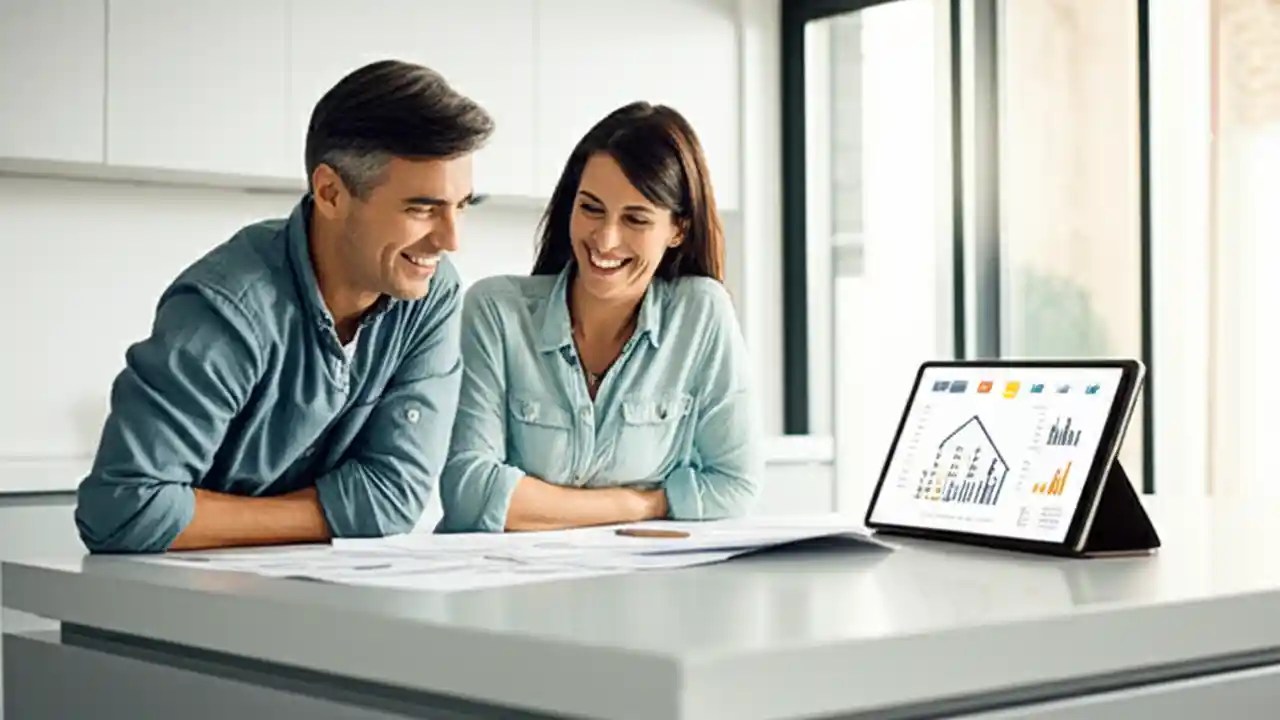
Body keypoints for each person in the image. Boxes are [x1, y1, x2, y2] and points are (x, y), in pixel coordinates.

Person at [74, 60, 493, 553]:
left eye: (462, 205)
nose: (450, 239)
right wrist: (342, 510)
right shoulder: (229, 308)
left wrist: (200, 513)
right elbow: (124, 510)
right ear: (331, 192)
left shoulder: (429, 292)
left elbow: (394, 498)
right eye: (422, 208)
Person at [438, 102, 761, 533]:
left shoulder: (701, 313)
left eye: (635, 219)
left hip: (634, 586)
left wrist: (534, 504)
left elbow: (735, 485)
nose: (606, 240)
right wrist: (640, 503)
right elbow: (470, 494)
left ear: (677, 229)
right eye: (591, 208)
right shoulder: (496, 312)